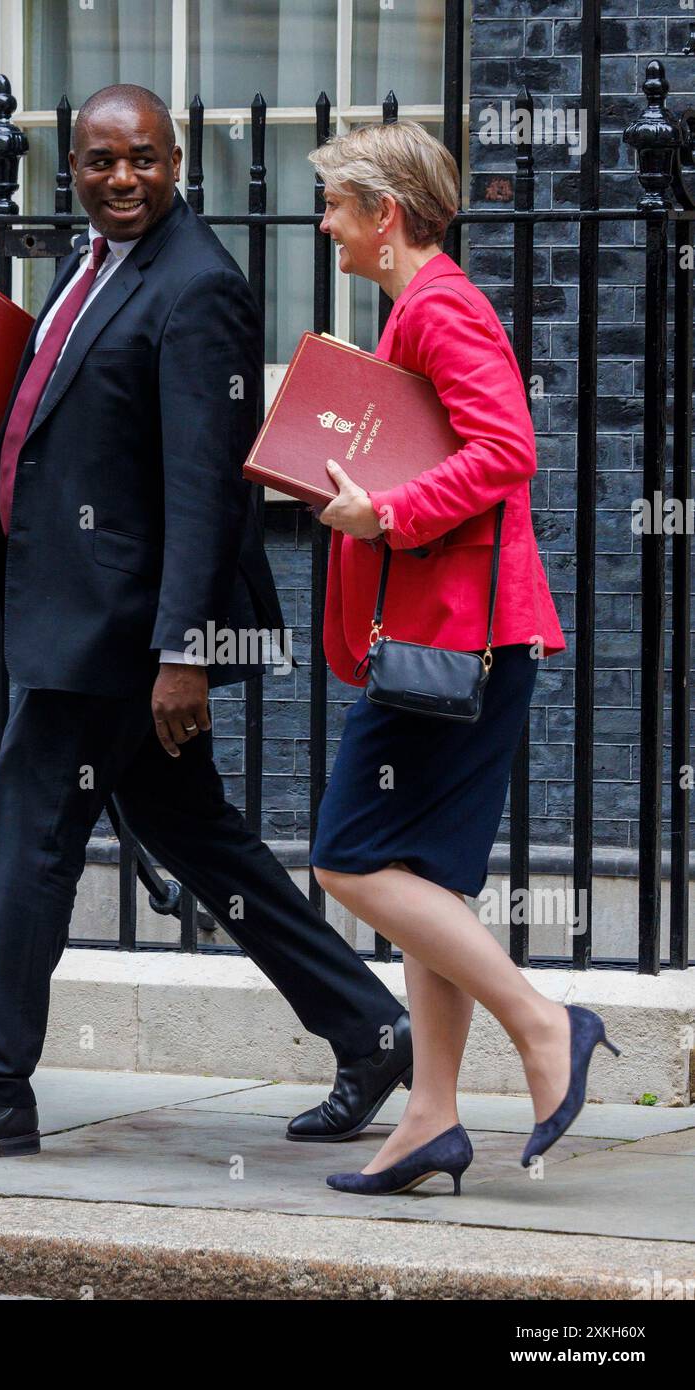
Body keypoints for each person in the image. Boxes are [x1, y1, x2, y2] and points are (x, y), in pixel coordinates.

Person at [0, 85, 413, 1164]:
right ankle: (369, 1026)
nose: (122, 179)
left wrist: (182, 652)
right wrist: (4, 456)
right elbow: (79, 416)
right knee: (195, 832)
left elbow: (207, 489)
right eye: (101, 161)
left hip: (121, 633)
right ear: (73, 164)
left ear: (175, 164)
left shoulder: (197, 283)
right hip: (83, 610)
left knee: (29, 838)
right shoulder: (91, 259)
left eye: (144, 160)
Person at [305, 120, 619, 1196]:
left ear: (383, 215)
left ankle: (543, 1020)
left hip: (453, 646)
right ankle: (430, 1118)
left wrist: (380, 511)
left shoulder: (438, 306)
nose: (325, 226)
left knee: (347, 856)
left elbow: (505, 451)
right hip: (463, 643)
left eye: (337, 207)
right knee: (425, 877)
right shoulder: (416, 309)